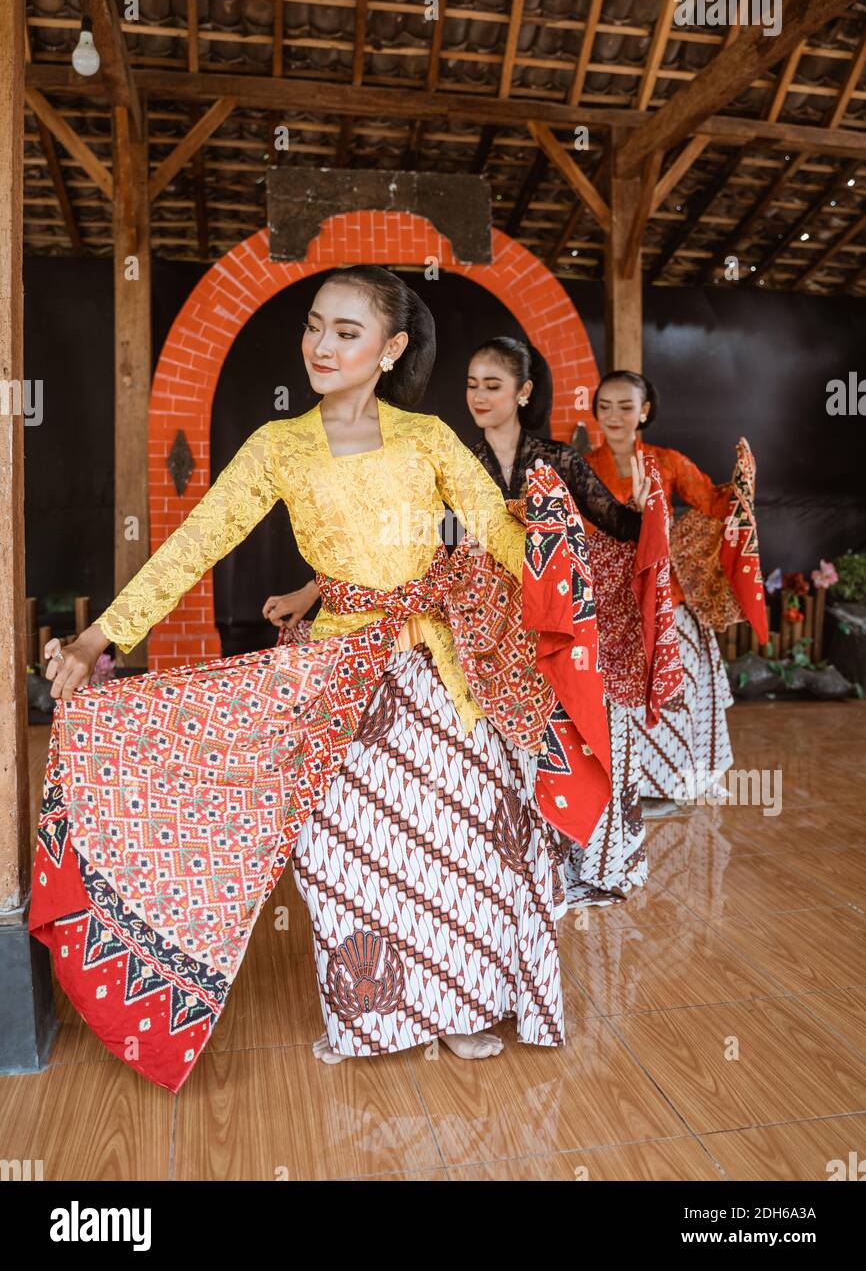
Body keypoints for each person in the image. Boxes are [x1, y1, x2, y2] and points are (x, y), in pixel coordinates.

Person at [33, 267, 599, 1092]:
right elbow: (192, 547)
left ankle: (466, 1005)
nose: (322, 345)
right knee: (343, 851)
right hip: (334, 674)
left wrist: (569, 562)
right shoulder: (278, 446)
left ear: (391, 349)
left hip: (431, 665)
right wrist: (96, 639)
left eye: (346, 331)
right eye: (314, 326)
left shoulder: (429, 438)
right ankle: (371, 1015)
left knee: (455, 842)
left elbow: (505, 542)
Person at [466, 336, 658, 908]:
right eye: (472, 384)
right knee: (499, 748)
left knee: (562, 737)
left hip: (553, 621)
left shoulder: (557, 459)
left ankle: (574, 861)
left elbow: (618, 527)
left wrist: (644, 513)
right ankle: (510, 869)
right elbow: (432, 542)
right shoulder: (457, 460)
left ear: (523, 393)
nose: (478, 396)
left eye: (492, 385)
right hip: (484, 624)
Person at [586, 369, 736, 816]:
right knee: (617, 696)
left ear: (644, 411)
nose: (614, 415)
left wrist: (742, 487)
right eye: (605, 406)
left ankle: (675, 782)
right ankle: (623, 787)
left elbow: (712, 503)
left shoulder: (666, 462)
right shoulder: (583, 466)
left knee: (674, 691)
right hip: (610, 604)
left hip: (665, 600)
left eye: (625, 406)